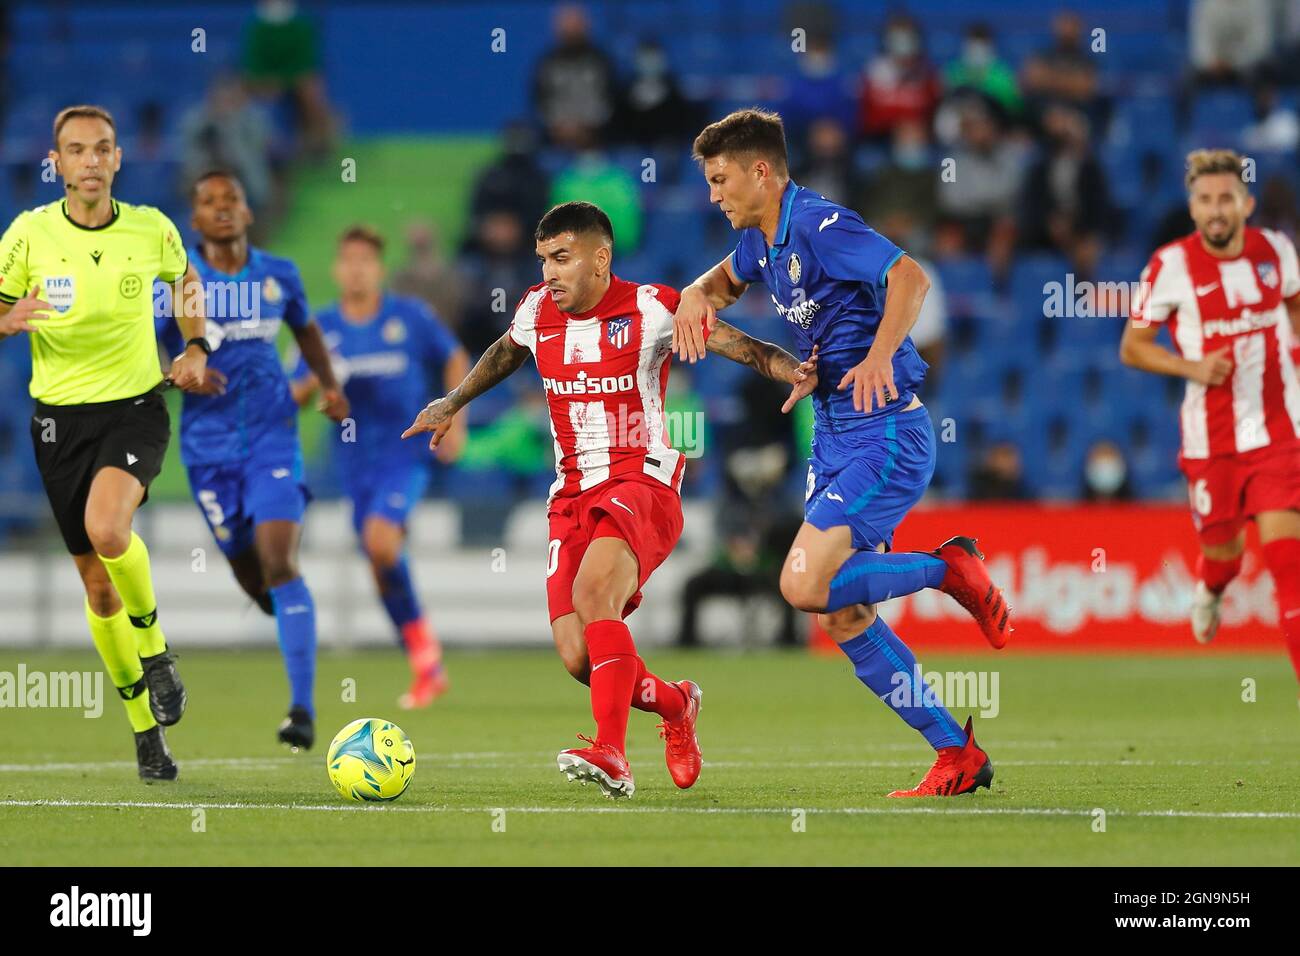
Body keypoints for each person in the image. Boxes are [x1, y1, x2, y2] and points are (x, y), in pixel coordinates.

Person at [402, 201, 819, 799]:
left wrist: (790, 368)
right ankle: (677, 705)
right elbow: (505, 352)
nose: (549, 272)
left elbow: (741, 345)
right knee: (579, 658)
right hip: (569, 492)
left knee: (594, 593)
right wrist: (453, 401)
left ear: (601, 258)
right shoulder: (536, 310)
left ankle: (612, 755)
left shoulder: (650, 308)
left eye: (562, 258)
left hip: (640, 481)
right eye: (544, 259)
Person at [673, 109, 1013, 798]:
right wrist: (689, 297)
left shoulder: (820, 225)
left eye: (721, 179)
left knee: (799, 586)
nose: (714, 194)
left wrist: (882, 352)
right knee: (840, 613)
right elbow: (716, 288)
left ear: (762, 172)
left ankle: (946, 569)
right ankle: (957, 753)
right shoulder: (762, 243)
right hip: (834, 434)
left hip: (884, 430)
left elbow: (910, 278)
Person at [0, 105, 209, 780]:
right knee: (96, 588)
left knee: (108, 529)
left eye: (102, 149)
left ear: (118, 159)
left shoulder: (150, 229)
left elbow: (185, 281)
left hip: (135, 407)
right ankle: (146, 733)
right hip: (58, 423)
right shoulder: (28, 235)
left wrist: (197, 343)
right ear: (55, 162)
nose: (90, 160)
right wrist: (8, 319)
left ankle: (158, 655)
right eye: (75, 150)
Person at [156, 170, 348, 749]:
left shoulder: (278, 274)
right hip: (208, 449)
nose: (221, 208)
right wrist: (177, 371)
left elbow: (308, 330)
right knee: (253, 575)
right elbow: (151, 347)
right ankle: (295, 616)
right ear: (194, 220)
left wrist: (329, 385)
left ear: (247, 211)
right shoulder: (178, 279)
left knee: (279, 561)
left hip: (272, 438)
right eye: (209, 201)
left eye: (231, 199)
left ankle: (302, 711)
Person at [1121, 149, 1300, 682]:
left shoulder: (1277, 250)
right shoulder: (1170, 265)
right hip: (1212, 440)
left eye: (1226, 199)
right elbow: (1133, 348)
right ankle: (1212, 586)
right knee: (1225, 558)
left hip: (1279, 431)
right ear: (1193, 209)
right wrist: (1191, 366)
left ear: (1246, 204)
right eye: (1206, 200)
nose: (1217, 209)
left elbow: (1293, 307)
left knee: (1289, 569)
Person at [292, 227, 467, 708]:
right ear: (335, 269)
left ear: (379, 269)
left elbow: (454, 357)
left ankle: (426, 661)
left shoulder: (409, 317)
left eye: (365, 260)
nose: (356, 268)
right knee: (381, 560)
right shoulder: (320, 329)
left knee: (379, 541)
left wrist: (457, 414)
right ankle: (427, 663)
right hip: (354, 463)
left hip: (403, 452)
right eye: (347, 260)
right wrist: (322, 382)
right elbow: (297, 394)